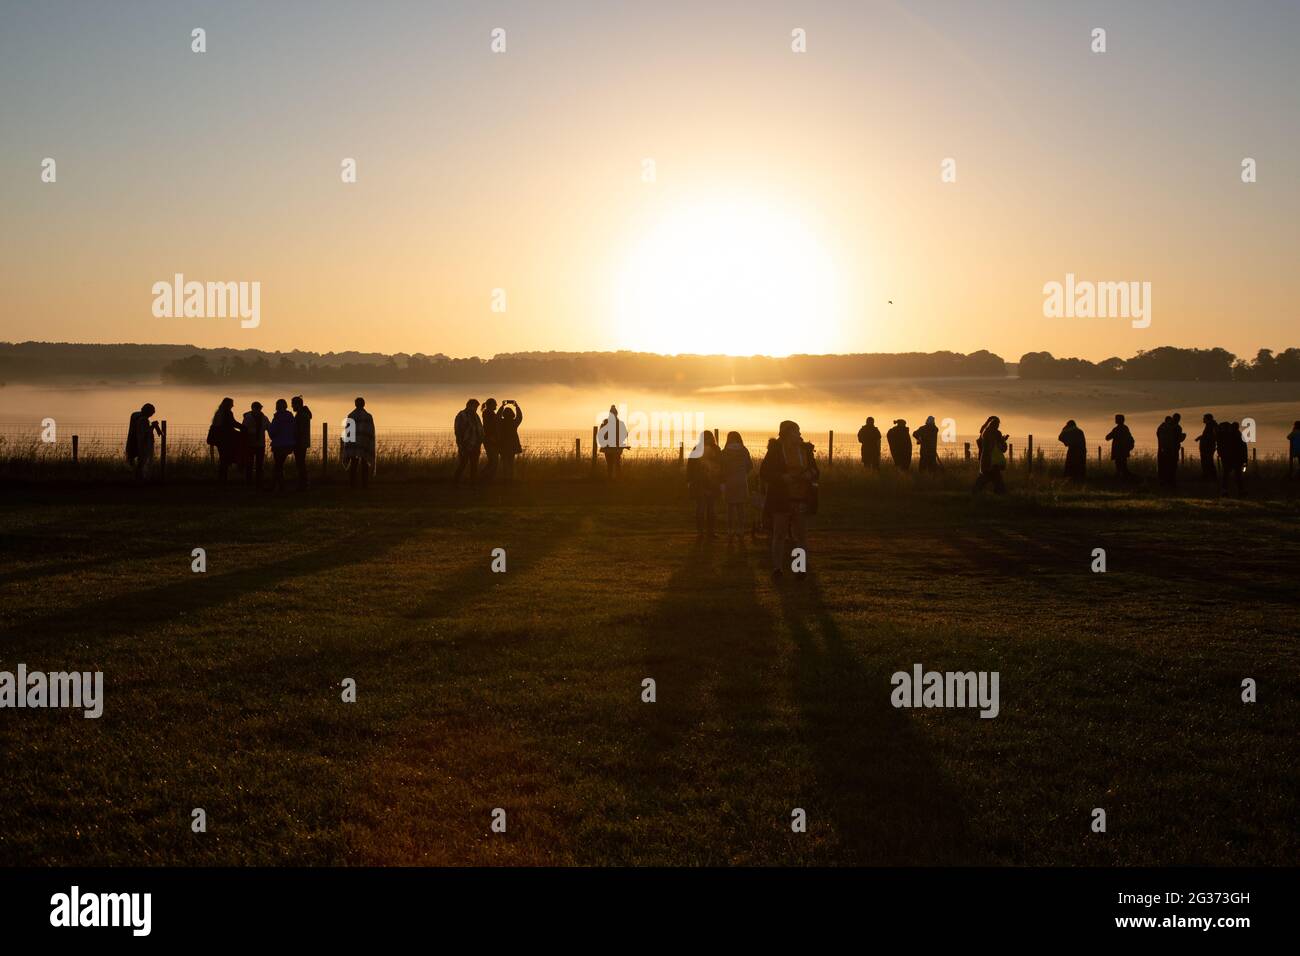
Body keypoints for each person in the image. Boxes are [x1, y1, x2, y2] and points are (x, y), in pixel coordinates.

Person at [760, 421, 818, 581]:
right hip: (781, 498)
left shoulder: (805, 450)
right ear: (786, 433)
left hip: (801, 498)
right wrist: (782, 477)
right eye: (795, 431)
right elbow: (764, 472)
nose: (799, 434)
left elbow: (815, 470)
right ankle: (777, 569)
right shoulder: (775, 450)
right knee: (779, 534)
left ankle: (799, 568)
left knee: (800, 535)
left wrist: (809, 474)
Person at [686, 430, 722, 538]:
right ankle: (707, 532)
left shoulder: (697, 449)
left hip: (704, 482)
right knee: (707, 507)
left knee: (705, 507)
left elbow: (690, 466)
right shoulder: (715, 449)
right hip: (708, 482)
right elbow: (721, 464)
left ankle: (703, 532)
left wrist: (689, 480)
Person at [720, 431, 753, 543]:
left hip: (729, 481)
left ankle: (730, 530)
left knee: (730, 508)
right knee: (741, 507)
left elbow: (721, 467)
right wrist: (743, 473)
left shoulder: (724, 452)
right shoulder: (744, 451)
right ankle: (741, 530)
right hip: (741, 481)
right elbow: (750, 466)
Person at [342, 397, 376, 489]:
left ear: (355, 404)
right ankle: (364, 484)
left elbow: (348, 432)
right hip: (364, 444)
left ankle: (352, 484)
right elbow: (370, 431)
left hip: (353, 444)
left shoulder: (351, 416)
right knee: (364, 464)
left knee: (354, 464)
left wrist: (348, 444)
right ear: (364, 404)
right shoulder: (368, 416)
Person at [207, 397, 242, 483]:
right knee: (225, 460)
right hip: (226, 440)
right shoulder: (227, 413)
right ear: (228, 405)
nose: (233, 405)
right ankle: (223, 480)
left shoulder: (219, 412)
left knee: (223, 459)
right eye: (231, 404)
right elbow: (232, 423)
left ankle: (222, 479)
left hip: (219, 440)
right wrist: (243, 427)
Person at [125, 403, 162, 481]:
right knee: (142, 462)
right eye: (151, 413)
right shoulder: (143, 420)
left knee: (133, 461)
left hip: (132, 440)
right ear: (149, 412)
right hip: (142, 444)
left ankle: (136, 478)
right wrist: (153, 426)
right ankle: (140, 479)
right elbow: (145, 433)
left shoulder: (135, 415)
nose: (151, 415)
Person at [972, 415, 1007, 494]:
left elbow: (985, 446)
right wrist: (1003, 441)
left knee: (986, 478)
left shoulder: (984, 433)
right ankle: (1000, 494)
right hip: (993, 460)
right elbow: (1002, 448)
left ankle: (975, 493)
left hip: (986, 460)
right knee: (995, 479)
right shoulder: (997, 434)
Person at [268, 399, 296, 493]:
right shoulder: (290, 417)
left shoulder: (277, 417)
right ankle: (276, 486)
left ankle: (279, 487)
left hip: (278, 444)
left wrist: (269, 428)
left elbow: (272, 431)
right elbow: (294, 430)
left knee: (278, 466)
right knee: (279, 465)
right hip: (288, 444)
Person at [453, 398, 484, 484]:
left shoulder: (475, 416)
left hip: (476, 445)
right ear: (470, 405)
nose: (476, 408)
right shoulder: (461, 415)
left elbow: (480, 428)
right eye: (475, 406)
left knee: (474, 466)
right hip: (466, 445)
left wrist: (480, 439)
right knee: (463, 464)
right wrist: (461, 444)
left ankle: (473, 483)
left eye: (476, 407)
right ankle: (455, 482)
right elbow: (458, 431)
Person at [241, 401, 270, 489]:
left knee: (259, 465)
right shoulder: (248, 418)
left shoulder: (264, 418)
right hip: (251, 444)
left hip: (260, 445)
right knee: (250, 464)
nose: (259, 409)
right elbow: (244, 430)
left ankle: (258, 483)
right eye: (258, 408)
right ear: (253, 408)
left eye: (259, 408)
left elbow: (269, 427)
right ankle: (249, 482)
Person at [1216, 420, 1247, 496]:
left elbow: (1220, 446)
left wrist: (1221, 454)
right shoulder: (1239, 435)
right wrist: (1245, 460)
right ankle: (1240, 491)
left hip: (1228, 458)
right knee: (1238, 475)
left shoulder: (1225, 436)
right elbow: (1244, 448)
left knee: (1226, 475)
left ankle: (1225, 490)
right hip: (1237, 459)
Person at [496, 400, 523, 482]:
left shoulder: (501, 422)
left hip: (503, 444)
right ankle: (510, 478)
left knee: (504, 463)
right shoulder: (514, 422)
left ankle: (505, 478)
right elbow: (520, 417)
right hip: (512, 444)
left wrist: (502, 406)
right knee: (511, 462)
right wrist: (517, 406)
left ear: (504, 414)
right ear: (512, 414)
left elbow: (497, 416)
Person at [598, 405, 628, 478]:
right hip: (616, 447)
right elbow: (625, 434)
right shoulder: (620, 423)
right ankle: (618, 478)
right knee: (617, 463)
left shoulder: (605, 423)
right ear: (616, 414)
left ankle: (611, 478)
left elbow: (600, 435)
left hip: (608, 447)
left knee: (610, 464)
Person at [291, 395, 312, 490]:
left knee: (300, 464)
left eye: (293, 405)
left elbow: (299, 430)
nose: (292, 407)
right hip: (302, 442)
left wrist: (295, 440)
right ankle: (303, 483)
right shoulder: (304, 414)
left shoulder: (301, 415)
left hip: (300, 443)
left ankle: (303, 484)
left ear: (297, 404)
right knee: (301, 463)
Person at [1105, 413, 1135, 479]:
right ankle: (1125, 478)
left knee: (1119, 466)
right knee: (1123, 465)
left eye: (1116, 419)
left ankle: (1121, 478)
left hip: (1117, 451)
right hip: (1123, 451)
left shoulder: (1116, 429)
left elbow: (1107, 438)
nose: (1115, 420)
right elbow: (1130, 438)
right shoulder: (1125, 428)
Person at [480, 398, 501, 482]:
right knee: (494, 461)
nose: (496, 405)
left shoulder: (489, 413)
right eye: (495, 404)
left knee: (493, 460)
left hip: (491, 439)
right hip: (490, 439)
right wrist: (491, 437)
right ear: (491, 405)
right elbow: (489, 427)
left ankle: (486, 477)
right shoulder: (488, 413)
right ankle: (485, 477)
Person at [1197, 413, 1218, 481]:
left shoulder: (1211, 426)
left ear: (1207, 419)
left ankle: (1210, 476)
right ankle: (1209, 476)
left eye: (1204, 418)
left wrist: (1201, 437)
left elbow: (1210, 436)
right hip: (1207, 446)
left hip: (1208, 447)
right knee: (1207, 461)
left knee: (1208, 461)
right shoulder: (1211, 425)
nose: (1203, 419)